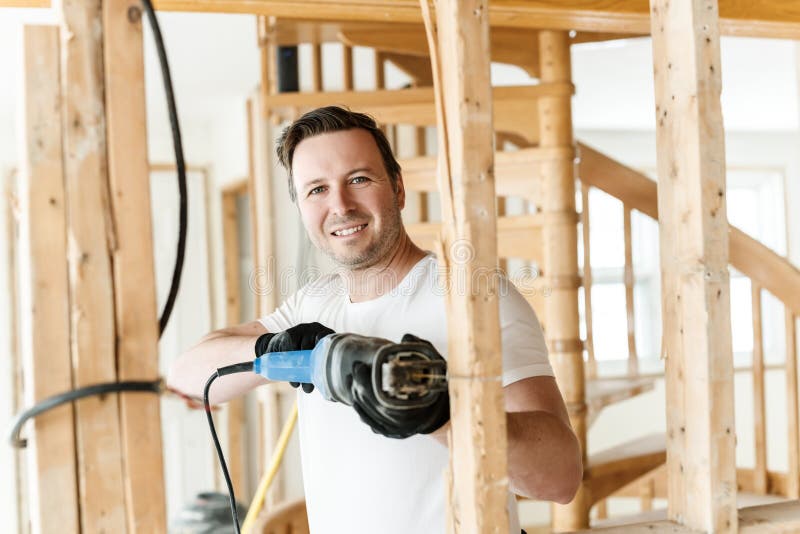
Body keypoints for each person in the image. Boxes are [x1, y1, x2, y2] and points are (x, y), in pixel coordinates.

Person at [168, 106, 582, 534]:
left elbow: (560, 478)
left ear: (398, 189)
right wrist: (281, 349)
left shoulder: (473, 297)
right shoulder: (310, 306)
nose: (340, 205)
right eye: (316, 190)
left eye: (358, 180)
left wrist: (440, 413)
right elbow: (186, 376)